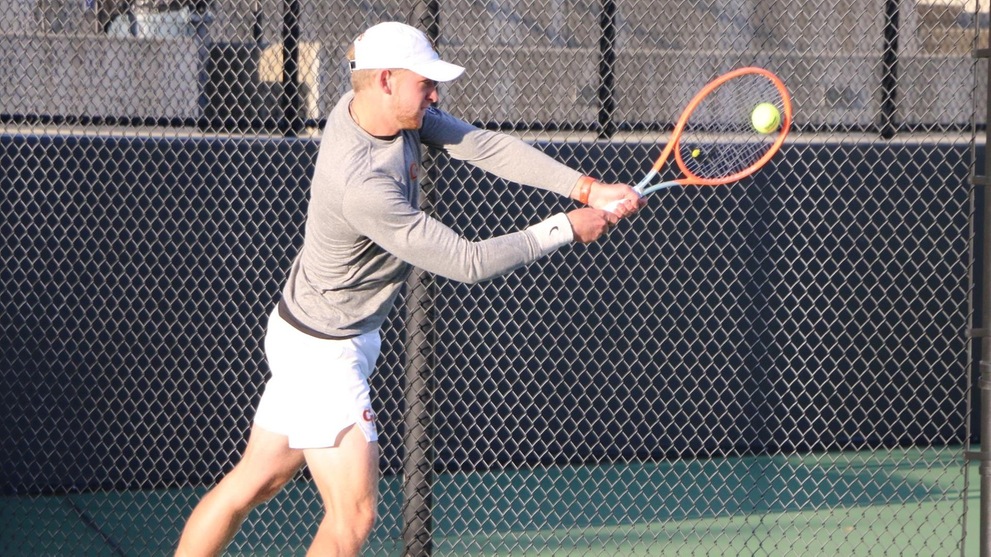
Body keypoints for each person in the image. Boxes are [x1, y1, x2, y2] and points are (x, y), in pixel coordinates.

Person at [175, 21, 644, 557]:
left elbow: (483, 146)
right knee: (354, 515)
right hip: (323, 351)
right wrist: (566, 225)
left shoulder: (381, 111)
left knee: (255, 481)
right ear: (387, 80)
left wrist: (587, 187)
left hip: (309, 328)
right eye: (426, 83)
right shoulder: (364, 185)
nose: (436, 94)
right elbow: (467, 261)